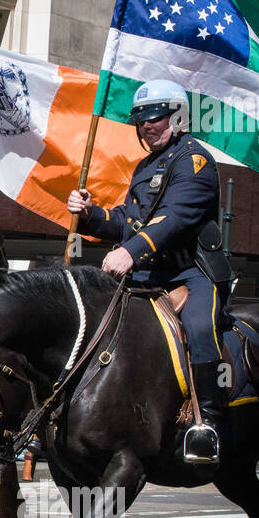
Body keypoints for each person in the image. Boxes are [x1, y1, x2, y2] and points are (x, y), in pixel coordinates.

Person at [67, 78, 232, 464]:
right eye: (140, 119)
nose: (147, 126)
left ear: (177, 116)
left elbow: (174, 218)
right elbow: (131, 219)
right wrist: (92, 216)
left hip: (189, 274)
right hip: (146, 277)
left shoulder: (196, 161)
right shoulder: (146, 166)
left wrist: (130, 251)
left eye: (155, 116)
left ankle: (209, 425)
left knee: (199, 329)